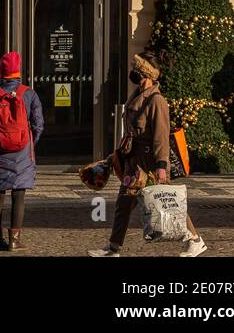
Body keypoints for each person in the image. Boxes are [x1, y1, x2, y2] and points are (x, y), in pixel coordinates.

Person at [89, 54, 207, 258]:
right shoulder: (136, 95)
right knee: (124, 204)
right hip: (134, 163)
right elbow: (130, 133)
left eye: (136, 68)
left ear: (145, 73)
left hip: (150, 164)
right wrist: (115, 157)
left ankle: (195, 240)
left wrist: (162, 165)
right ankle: (113, 248)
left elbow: (161, 136)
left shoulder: (156, 100)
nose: (132, 71)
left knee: (170, 203)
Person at [0, 51, 43, 251]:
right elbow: (39, 124)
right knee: (19, 195)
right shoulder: (29, 93)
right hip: (23, 152)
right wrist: (29, 143)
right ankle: (15, 240)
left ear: (2, 71)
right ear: (18, 70)